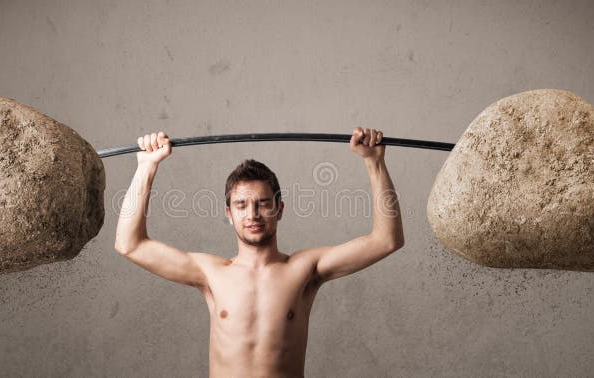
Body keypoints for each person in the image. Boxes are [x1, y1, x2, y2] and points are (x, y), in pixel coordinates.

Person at [114, 128, 404, 377]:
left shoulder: (304, 269)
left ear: (279, 210)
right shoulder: (211, 273)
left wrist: (374, 163)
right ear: (228, 213)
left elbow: (386, 240)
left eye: (263, 203)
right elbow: (130, 244)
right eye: (241, 205)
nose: (252, 214)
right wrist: (147, 166)